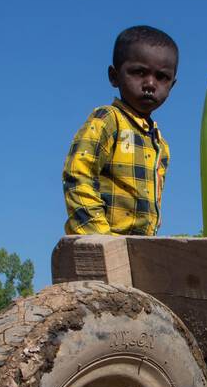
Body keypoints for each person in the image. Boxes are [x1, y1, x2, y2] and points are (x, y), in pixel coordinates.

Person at [63, 25, 178, 236]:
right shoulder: (108, 120)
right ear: (114, 76)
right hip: (98, 242)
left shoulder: (161, 145)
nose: (150, 84)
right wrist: (100, 238)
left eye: (161, 77)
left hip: (137, 250)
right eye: (139, 72)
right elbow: (77, 175)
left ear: (172, 85)